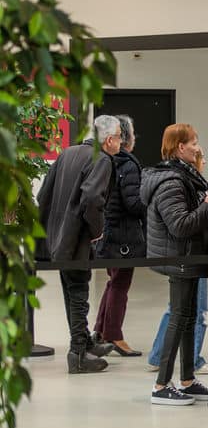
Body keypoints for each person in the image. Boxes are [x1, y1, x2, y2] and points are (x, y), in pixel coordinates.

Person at [37, 115, 121, 374]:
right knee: (78, 293)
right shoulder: (102, 159)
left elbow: (43, 193)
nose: (121, 141)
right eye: (119, 137)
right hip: (77, 237)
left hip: (58, 237)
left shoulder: (67, 152)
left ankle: (84, 343)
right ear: (109, 139)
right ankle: (78, 354)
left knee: (71, 289)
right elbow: (92, 198)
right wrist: (97, 230)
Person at [141, 123, 208, 405]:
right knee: (179, 316)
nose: (198, 148)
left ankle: (186, 379)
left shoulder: (184, 177)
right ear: (180, 147)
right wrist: (207, 204)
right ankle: (161, 385)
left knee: (188, 316)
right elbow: (180, 226)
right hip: (180, 256)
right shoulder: (172, 182)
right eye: (193, 142)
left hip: (189, 257)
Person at [93, 115, 146, 357]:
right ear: (125, 137)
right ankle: (114, 334)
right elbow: (133, 203)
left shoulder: (103, 159)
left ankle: (101, 331)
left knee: (113, 281)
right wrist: (149, 202)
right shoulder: (127, 164)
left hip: (107, 230)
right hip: (123, 234)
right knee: (120, 283)